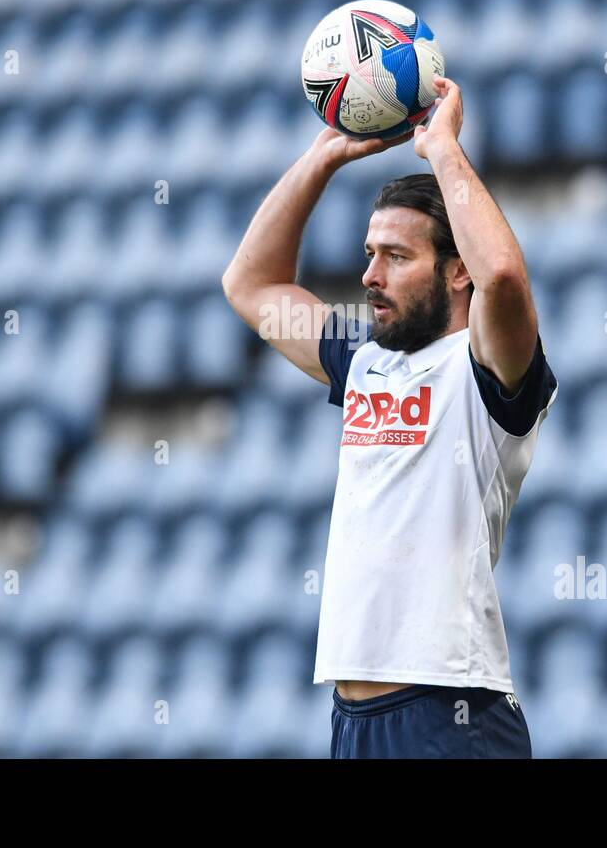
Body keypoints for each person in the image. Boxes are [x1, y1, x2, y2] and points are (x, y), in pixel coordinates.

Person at [222, 77, 557, 758]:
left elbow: (506, 280)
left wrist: (442, 151)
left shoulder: (489, 365)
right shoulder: (365, 361)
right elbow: (249, 285)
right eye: (369, 254)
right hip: (354, 720)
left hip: (449, 714)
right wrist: (321, 160)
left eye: (396, 257)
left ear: (455, 272)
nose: (370, 274)